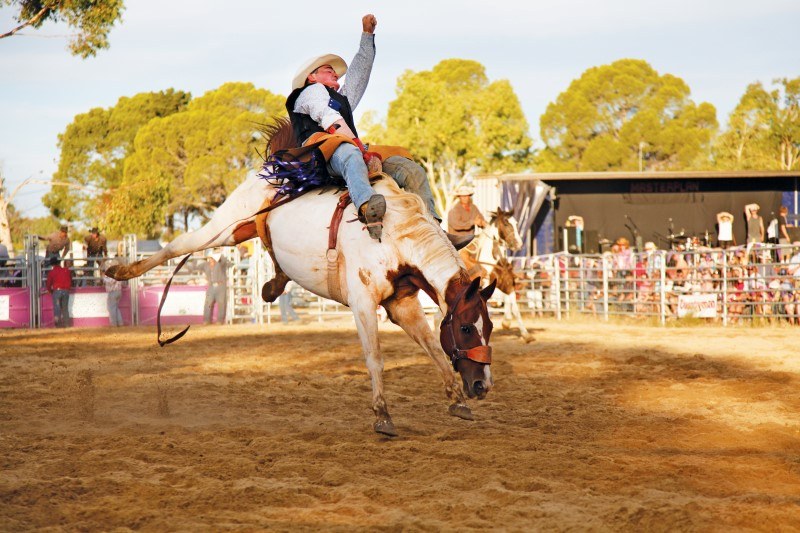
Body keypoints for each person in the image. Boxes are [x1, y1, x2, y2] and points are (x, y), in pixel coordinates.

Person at [286, 14, 469, 247]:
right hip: (320, 152)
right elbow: (328, 118)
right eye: (327, 69)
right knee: (350, 153)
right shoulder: (311, 92)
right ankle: (367, 207)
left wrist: (367, 36)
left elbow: (358, 76)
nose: (334, 73)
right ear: (312, 77)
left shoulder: (339, 98)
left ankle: (434, 230)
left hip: (348, 147)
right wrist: (361, 149)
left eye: (334, 71)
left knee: (410, 169)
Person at [200, 252, 228, 325]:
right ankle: (206, 320)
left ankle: (220, 320)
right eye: (210, 258)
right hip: (211, 285)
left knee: (221, 303)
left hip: (220, 285)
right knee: (208, 303)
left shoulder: (220, 264)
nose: (210, 259)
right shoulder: (206, 265)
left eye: (212, 258)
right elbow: (195, 267)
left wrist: (219, 255)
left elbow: (224, 261)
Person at [45, 257, 72, 327]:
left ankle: (58, 324)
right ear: (59, 263)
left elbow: (48, 284)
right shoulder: (66, 270)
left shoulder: (51, 272)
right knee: (65, 308)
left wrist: (50, 291)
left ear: (52, 265)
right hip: (66, 291)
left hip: (57, 291)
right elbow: (70, 280)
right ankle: (67, 324)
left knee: (57, 308)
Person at [102, 258, 124, 327]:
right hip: (118, 291)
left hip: (113, 292)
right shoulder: (119, 272)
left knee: (111, 308)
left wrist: (103, 278)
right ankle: (120, 323)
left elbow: (111, 281)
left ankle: (114, 324)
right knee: (116, 308)